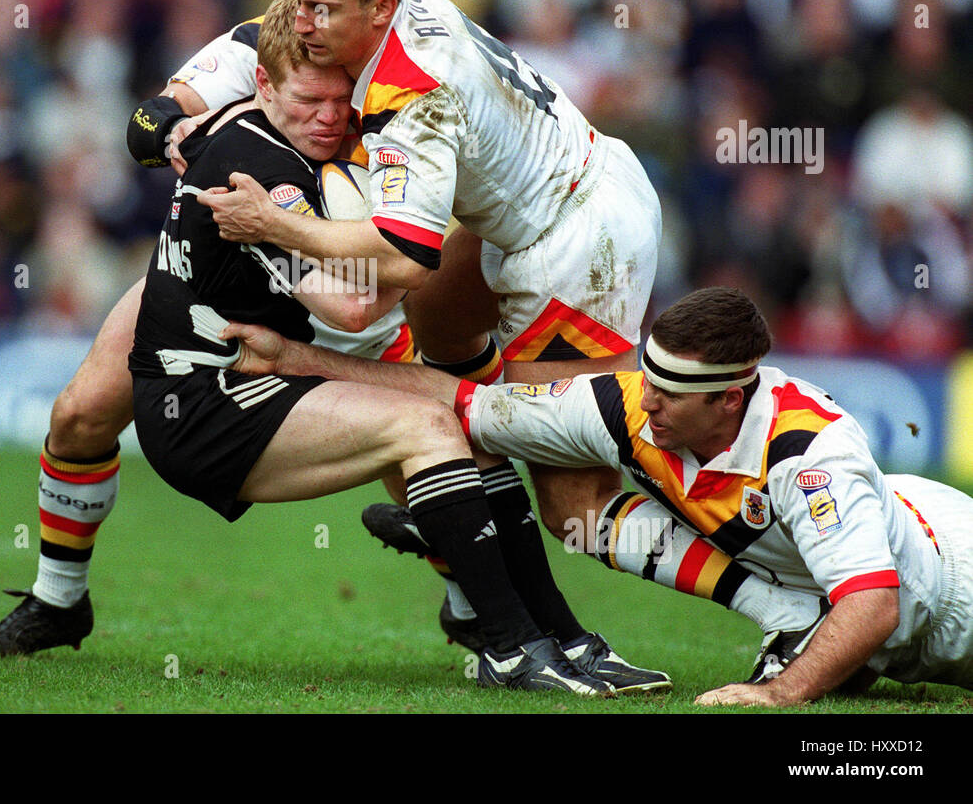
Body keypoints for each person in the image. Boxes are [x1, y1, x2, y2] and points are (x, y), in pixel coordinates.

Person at [0, 0, 445, 659]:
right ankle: (59, 601)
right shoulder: (272, 36)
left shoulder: (433, 80)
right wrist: (182, 132)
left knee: (414, 442)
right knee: (82, 412)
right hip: (230, 255)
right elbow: (149, 121)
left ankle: (480, 616)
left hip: (351, 272)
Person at [126, 0, 613, 694]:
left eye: (339, 101)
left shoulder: (273, 135)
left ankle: (560, 637)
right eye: (308, 101)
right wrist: (411, 253)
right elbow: (351, 304)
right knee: (426, 427)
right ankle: (507, 648)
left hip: (260, 368)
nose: (328, 118)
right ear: (263, 84)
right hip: (205, 399)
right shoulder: (258, 165)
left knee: (473, 424)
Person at [200, 0, 663, 653]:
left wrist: (275, 225)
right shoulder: (419, 3)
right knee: (440, 317)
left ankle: (768, 585)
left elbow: (404, 254)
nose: (302, 22)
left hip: (575, 248)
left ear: (379, 7)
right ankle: (461, 487)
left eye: (323, 9)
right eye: (301, 1)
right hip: (582, 184)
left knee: (578, 503)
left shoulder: (408, 92)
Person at [220, 287, 973, 705]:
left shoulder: (810, 458)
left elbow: (873, 606)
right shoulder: (629, 403)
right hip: (844, 584)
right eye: (646, 380)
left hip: (949, 581)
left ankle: (794, 629)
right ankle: (781, 614)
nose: (648, 407)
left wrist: (778, 697)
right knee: (572, 505)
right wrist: (299, 359)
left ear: (729, 403)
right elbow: (465, 401)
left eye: (671, 396)